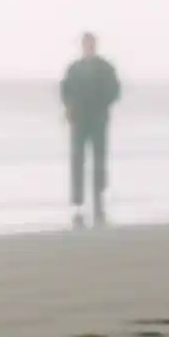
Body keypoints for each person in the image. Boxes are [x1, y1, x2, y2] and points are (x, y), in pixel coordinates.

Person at [60, 32, 121, 227]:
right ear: (82, 46)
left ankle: (99, 205)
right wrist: (69, 108)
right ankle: (78, 205)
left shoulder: (105, 68)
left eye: (91, 44)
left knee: (99, 163)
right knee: (78, 161)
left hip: (98, 120)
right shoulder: (74, 69)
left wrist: (102, 106)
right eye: (86, 44)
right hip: (79, 121)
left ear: (95, 45)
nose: (89, 47)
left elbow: (115, 90)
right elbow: (65, 91)